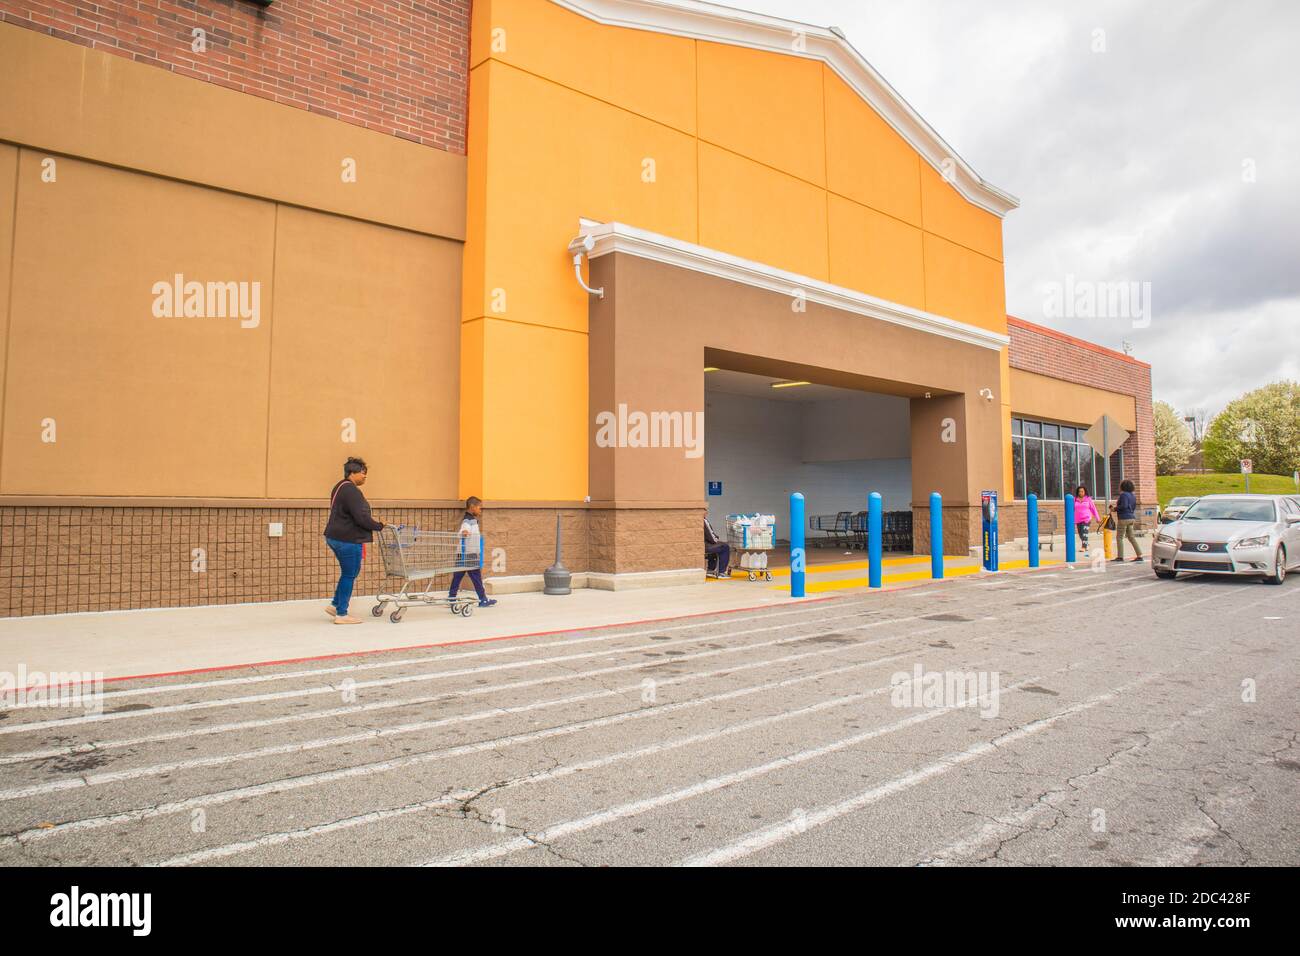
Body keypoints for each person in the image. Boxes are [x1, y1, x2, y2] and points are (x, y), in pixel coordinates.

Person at [324, 457, 384, 625]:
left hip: (335, 536)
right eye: (363, 473)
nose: (365, 477)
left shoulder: (340, 487)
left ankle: (335, 605)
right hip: (347, 539)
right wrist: (379, 525)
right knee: (350, 574)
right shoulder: (351, 491)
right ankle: (342, 614)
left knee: (348, 573)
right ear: (352, 473)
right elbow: (361, 517)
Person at [449, 496, 497, 608]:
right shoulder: (468, 520)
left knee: (457, 576)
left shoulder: (471, 520)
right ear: (472, 507)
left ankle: (451, 597)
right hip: (469, 554)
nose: (480, 509)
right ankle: (483, 599)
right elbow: (463, 529)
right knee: (476, 578)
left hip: (464, 554)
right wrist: (464, 531)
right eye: (479, 507)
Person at [1113, 478, 1144, 562]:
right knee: (1131, 537)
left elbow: (1124, 506)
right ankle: (1139, 555)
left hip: (1123, 518)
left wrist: (1115, 509)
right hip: (1131, 517)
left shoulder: (1123, 495)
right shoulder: (1133, 495)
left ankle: (1120, 556)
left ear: (1122, 486)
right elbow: (1132, 506)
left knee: (1119, 537)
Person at [1073, 484, 1101, 553]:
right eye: (1079, 491)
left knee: (1084, 532)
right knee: (1080, 533)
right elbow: (1072, 509)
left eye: (1082, 491)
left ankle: (1084, 547)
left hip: (1086, 519)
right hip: (1078, 519)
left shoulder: (1088, 499)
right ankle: (1086, 544)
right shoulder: (1075, 499)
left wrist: (1097, 518)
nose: (1081, 493)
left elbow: (1093, 509)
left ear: (1085, 492)